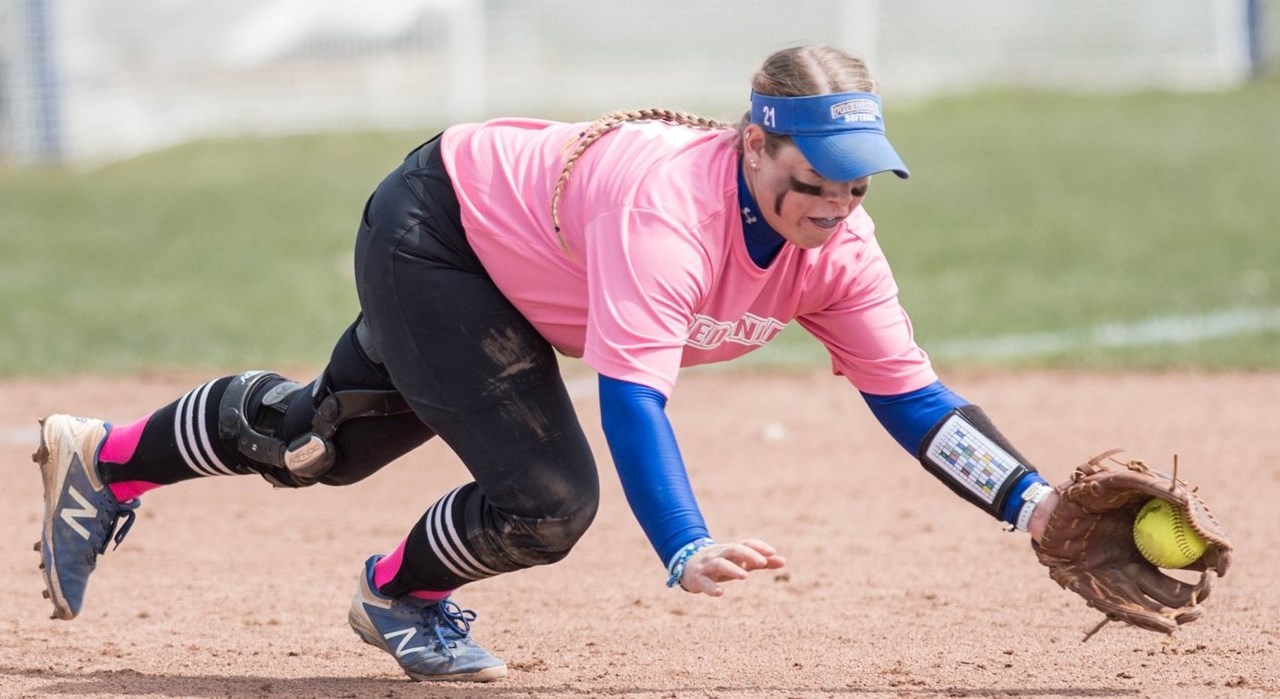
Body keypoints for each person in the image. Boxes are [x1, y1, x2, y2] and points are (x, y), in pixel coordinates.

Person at [34, 45, 1063, 683]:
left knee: (316, 447)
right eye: (819, 178)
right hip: (441, 231)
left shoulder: (837, 253)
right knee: (545, 498)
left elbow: (917, 404)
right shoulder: (671, 213)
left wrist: (1033, 504)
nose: (836, 206)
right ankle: (398, 597)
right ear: (756, 144)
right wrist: (683, 542)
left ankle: (105, 459)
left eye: (859, 186)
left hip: (523, 273)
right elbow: (633, 403)